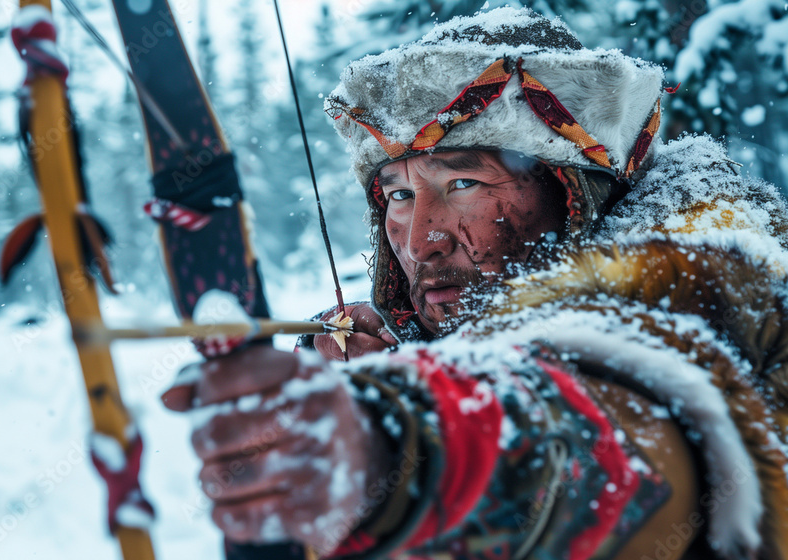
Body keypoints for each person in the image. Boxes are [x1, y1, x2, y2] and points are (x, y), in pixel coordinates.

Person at [161, 8, 788, 560]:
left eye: (463, 184)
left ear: (575, 197)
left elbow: (600, 441)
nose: (419, 239)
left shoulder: (703, 298)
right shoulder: (428, 340)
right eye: (400, 196)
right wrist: (404, 364)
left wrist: (393, 444)